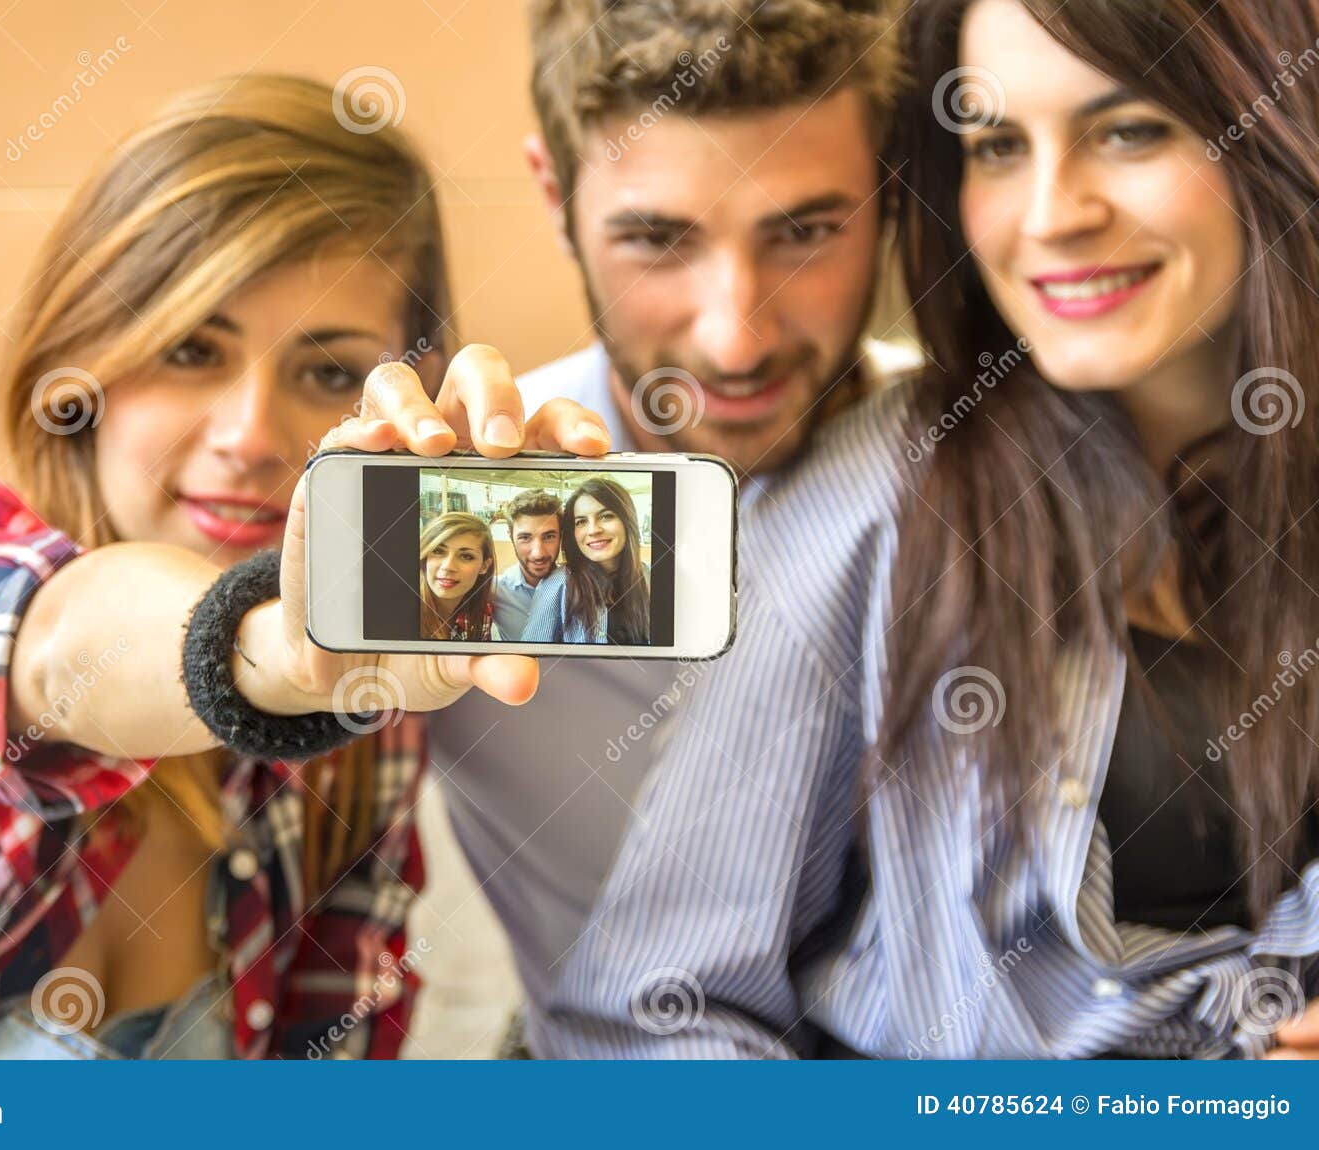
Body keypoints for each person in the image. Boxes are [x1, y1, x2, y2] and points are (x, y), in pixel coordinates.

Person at [0, 74, 608, 1060]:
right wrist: (274, 646)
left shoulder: (361, 741)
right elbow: (62, 651)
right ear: (83, 364)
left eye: (326, 373)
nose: (248, 433)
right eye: (192, 349)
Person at [539, 0, 1319, 1059]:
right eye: (996, 145)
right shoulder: (872, 488)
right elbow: (648, 1013)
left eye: (1128, 130)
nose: (1049, 213)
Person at [425, 0, 909, 1054]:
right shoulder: (464, 504)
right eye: (656, 238)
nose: (735, 334)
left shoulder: (998, 483)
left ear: (892, 191)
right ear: (555, 195)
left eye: (806, 230)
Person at [521, 477, 651, 644]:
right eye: (581, 521)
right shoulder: (557, 585)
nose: (593, 530)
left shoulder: (649, 576)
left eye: (606, 516)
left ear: (628, 521)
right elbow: (532, 657)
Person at [491, 488, 565, 638]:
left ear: (561, 536)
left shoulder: (578, 588)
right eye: (525, 537)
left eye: (549, 536)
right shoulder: (495, 591)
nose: (538, 553)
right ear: (510, 536)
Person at [421, 512, 500, 641]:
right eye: (438, 551)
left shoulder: (481, 615)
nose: (448, 566)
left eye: (466, 556)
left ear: (484, 566)